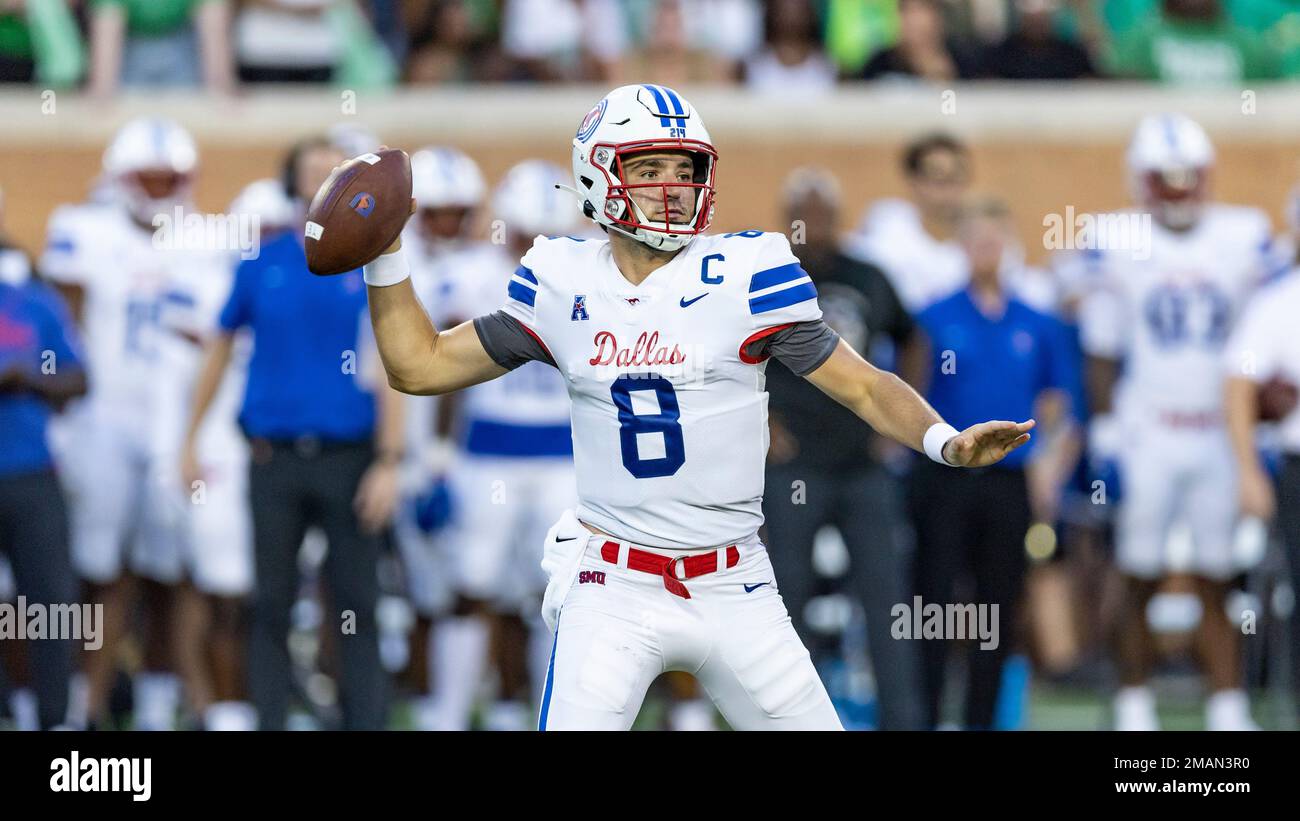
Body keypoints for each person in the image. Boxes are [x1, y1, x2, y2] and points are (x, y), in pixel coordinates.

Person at [357, 84, 1034, 731]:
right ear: (597, 175)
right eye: (648, 167)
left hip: (733, 579)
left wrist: (946, 441)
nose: (672, 187)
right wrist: (385, 253)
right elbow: (419, 365)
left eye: (684, 169)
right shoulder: (563, 282)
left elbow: (862, 383)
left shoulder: (747, 274)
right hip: (611, 580)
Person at [181, 137, 405, 730]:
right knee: (271, 602)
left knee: (357, 601)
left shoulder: (372, 260)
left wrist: (390, 460)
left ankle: (366, 721)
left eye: (332, 169)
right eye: (311, 169)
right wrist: (188, 438)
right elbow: (219, 351)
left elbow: (393, 364)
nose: (320, 179)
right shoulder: (264, 262)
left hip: (348, 454)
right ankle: (270, 720)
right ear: (293, 183)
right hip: (274, 454)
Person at [1077, 114, 1274, 730]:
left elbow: (1264, 336)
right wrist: (1105, 424)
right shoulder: (1117, 239)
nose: (1180, 191)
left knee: (1219, 572)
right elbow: (1102, 346)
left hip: (1219, 429)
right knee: (1138, 572)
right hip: (1149, 427)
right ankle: (1134, 701)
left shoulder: (1245, 236)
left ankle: (1227, 702)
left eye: (1189, 179)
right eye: (1167, 180)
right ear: (1141, 182)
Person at [41, 118, 202, 730]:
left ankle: (157, 710)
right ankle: (79, 705)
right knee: (95, 572)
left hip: (170, 421)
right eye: (149, 176)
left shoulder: (203, 239)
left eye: (171, 178)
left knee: (168, 572)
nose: (160, 188)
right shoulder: (83, 230)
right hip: (100, 418)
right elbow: (61, 332)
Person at [910, 196, 1082, 730]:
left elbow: (1060, 407)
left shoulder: (1038, 323)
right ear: (962, 247)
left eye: (995, 240)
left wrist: (1049, 474)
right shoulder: (934, 319)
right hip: (944, 479)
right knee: (935, 601)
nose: (987, 250)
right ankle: (928, 713)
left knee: (998, 605)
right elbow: (910, 398)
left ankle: (982, 720)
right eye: (977, 240)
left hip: (1009, 482)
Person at [762, 166, 923, 730]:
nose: (814, 225)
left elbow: (913, 337)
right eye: (803, 214)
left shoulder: (867, 276)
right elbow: (728, 357)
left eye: (822, 213)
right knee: (785, 602)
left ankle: (903, 720)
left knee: (887, 605)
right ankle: (784, 721)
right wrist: (761, 421)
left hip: (861, 464)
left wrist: (893, 427)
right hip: (792, 465)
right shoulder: (764, 276)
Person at [421, 160, 579, 731]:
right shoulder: (471, 274)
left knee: (559, 597)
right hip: (486, 454)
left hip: (564, 457)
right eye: (524, 235)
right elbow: (447, 366)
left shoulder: (589, 272)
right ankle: (449, 715)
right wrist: (440, 453)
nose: (533, 246)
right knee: (472, 587)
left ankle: (552, 717)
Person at [393, 144, 485, 730]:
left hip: (459, 455)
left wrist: (444, 453)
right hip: (390, 447)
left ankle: (450, 712)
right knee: (410, 593)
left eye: (457, 214)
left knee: (457, 589)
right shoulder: (394, 263)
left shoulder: (485, 269)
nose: (447, 227)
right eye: (437, 214)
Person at [0, 248, 86, 730]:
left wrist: (29, 378)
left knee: (51, 601)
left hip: (31, 470)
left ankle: (57, 718)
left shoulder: (33, 299)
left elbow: (77, 378)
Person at [844, 133, 972, 312]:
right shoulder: (886, 225)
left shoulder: (981, 241)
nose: (947, 190)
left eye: (954, 178)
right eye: (938, 178)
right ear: (914, 181)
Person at [88, 0, 234, 96]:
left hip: (181, 41)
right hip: (131, 43)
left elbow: (213, 24)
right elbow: (107, 29)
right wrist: (102, 89)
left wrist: (221, 85)